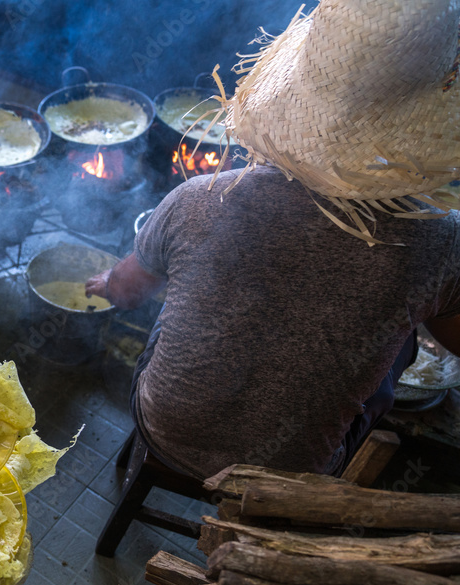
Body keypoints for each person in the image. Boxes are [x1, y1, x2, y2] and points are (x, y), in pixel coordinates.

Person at [85, 0, 460, 479]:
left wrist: (108, 280)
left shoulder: (199, 197)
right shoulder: (439, 243)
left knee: (171, 312)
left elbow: (127, 292)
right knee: (401, 343)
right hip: (293, 470)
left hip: (166, 428)